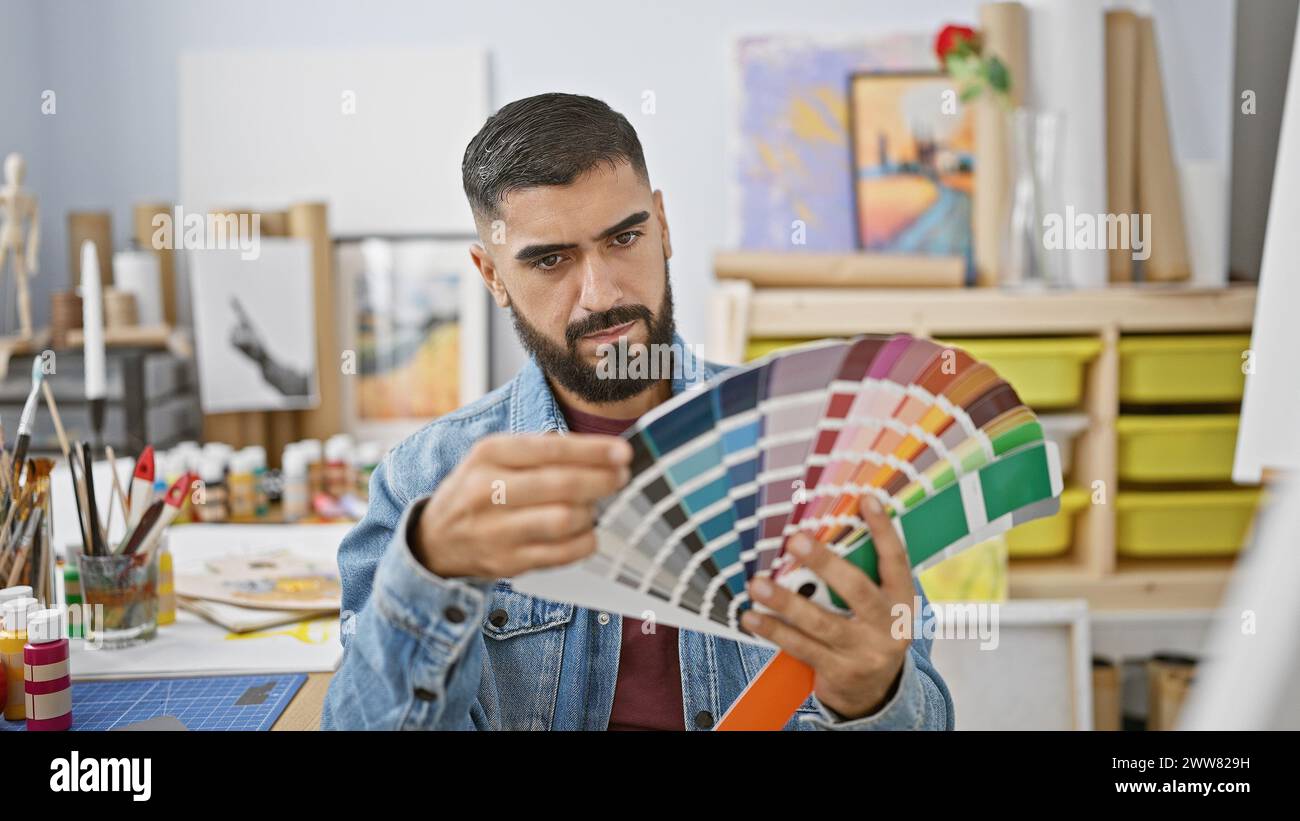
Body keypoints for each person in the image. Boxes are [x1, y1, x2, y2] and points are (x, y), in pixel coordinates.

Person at [321, 93, 953, 730]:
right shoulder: (424, 485)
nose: (602, 295)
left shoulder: (820, 450)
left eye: (624, 238)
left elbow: (926, 713)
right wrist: (428, 570)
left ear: (663, 226)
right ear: (492, 275)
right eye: (550, 259)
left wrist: (874, 698)